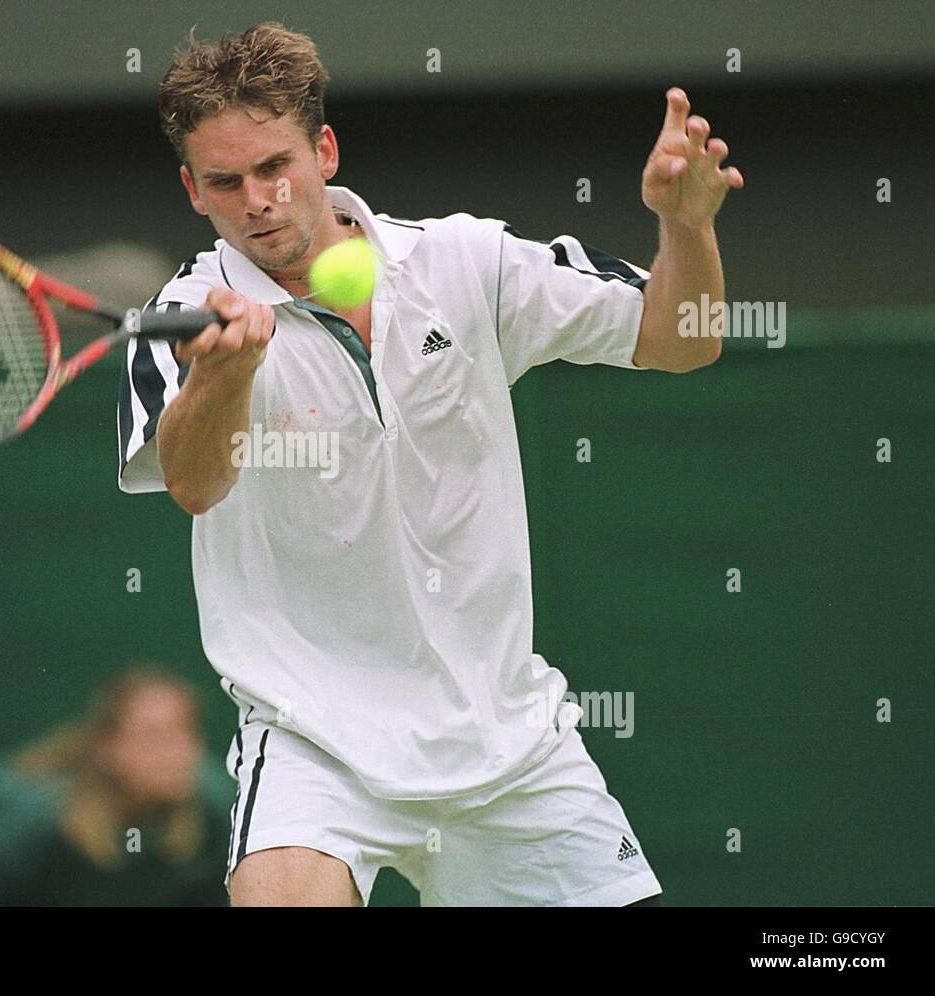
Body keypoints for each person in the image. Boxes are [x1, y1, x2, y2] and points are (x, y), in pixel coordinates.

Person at [118, 22, 742, 906]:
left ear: (324, 151)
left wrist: (686, 227)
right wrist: (226, 375)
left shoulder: (464, 262)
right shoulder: (182, 318)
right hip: (314, 746)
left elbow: (682, 340)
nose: (257, 200)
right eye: (225, 182)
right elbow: (195, 482)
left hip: (508, 743)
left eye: (275, 167)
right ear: (192, 190)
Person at [0, 665, 233, 906]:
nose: (181, 753)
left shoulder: (216, 805)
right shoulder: (31, 815)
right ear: (107, 747)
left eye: (188, 731)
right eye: (154, 736)